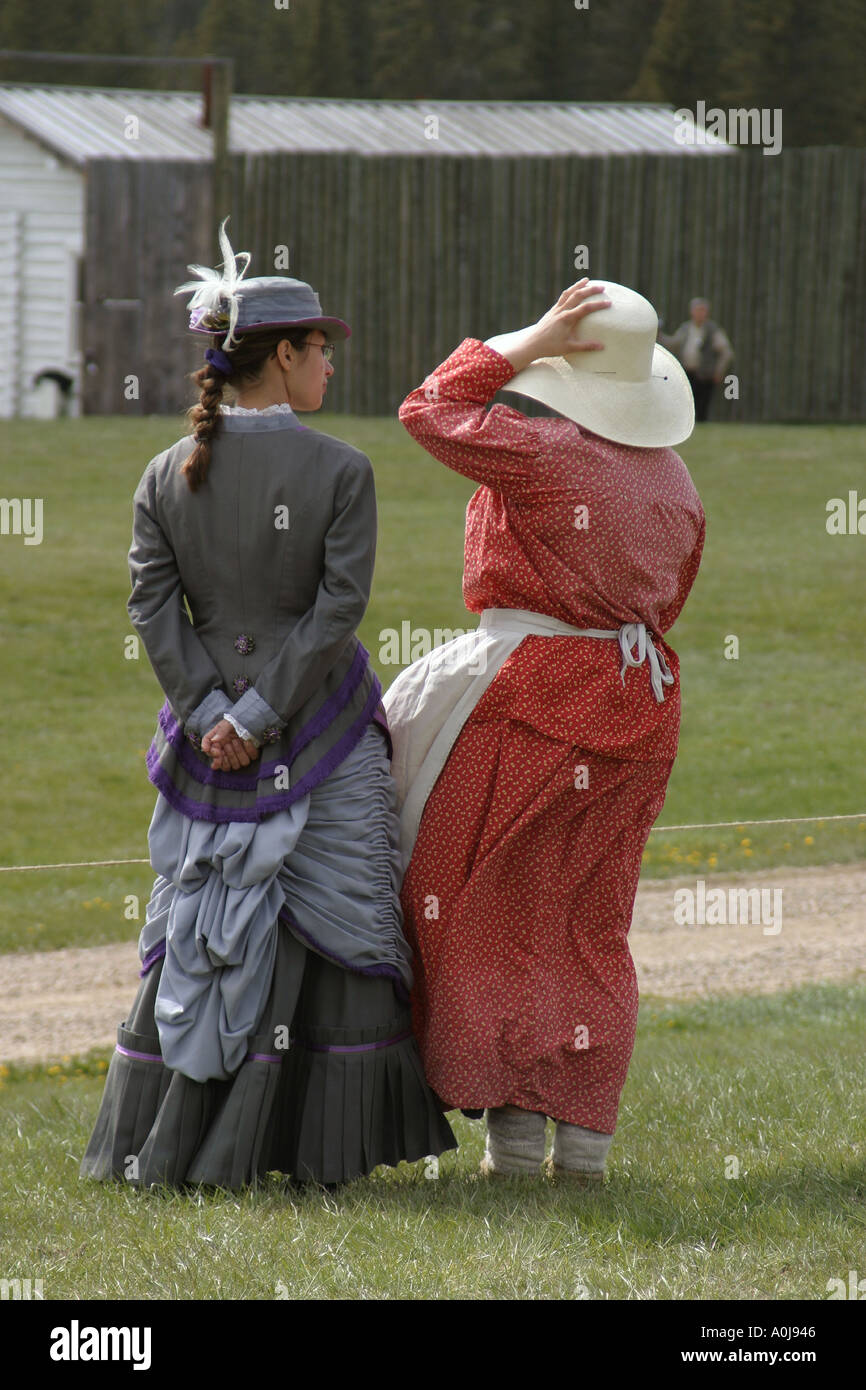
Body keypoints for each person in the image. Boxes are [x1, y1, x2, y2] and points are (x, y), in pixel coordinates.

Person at [80, 220, 456, 1190]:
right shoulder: (340, 470)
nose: (329, 364)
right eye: (320, 348)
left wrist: (215, 709)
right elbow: (338, 607)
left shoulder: (163, 472)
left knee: (207, 925)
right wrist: (259, 714)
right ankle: (318, 1151)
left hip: (206, 745)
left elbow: (151, 606)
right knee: (337, 913)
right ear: (281, 354)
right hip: (322, 729)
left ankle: (173, 1139)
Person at [383, 278, 705, 1185]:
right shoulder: (675, 482)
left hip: (532, 700)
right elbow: (666, 603)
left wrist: (525, 340)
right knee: (591, 923)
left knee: (484, 912)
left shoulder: (545, 454)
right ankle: (585, 1147)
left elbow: (429, 407)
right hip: (637, 708)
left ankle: (514, 1145)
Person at [659, 297, 734, 421]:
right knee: (687, 402)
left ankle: (701, 426)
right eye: (697, 310)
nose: (700, 313)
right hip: (687, 372)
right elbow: (674, 344)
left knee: (702, 404)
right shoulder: (685, 329)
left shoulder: (712, 330)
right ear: (692, 312)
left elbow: (726, 352)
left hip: (705, 374)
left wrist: (719, 371)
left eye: (702, 310)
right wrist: (659, 334)